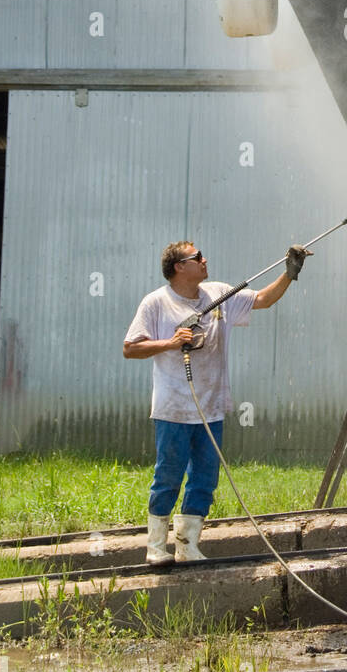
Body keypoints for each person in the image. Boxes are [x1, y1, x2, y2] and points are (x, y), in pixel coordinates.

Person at [123, 239, 310, 564]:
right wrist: (169, 342)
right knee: (168, 474)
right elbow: (130, 347)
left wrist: (289, 273)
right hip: (174, 409)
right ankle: (155, 548)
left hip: (210, 408)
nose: (204, 259)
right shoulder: (156, 303)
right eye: (197, 257)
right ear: (179, 267)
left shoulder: (219, 295)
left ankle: (187, 546)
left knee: (205, 478)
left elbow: (263, 300)